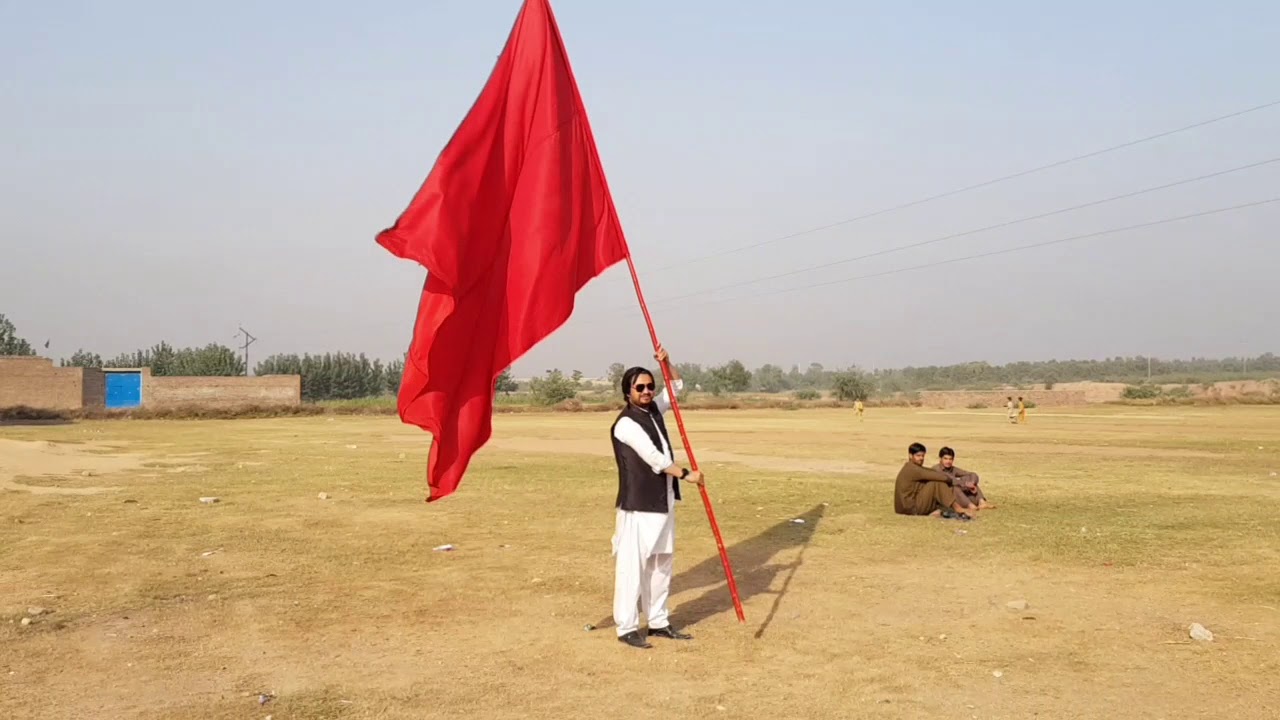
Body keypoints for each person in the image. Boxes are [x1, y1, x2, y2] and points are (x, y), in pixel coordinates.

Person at [609, 346, 703, 649]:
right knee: (632, 567)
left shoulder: (653, 411)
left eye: (650, 386)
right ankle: (626, 626)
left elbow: (676, 389)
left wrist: (666, 362)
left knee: (662, 564)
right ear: (628, 392)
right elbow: (654, 458)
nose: (647, 391)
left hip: (663, 503)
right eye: (640, 387)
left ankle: (659, 621)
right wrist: (686, 474)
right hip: (638, 506)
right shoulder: (626, 424)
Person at [894, 442, 975, 520]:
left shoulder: (911, 467)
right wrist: (952, 480)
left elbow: (929, 472)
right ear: (910, 455)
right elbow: (941, 477)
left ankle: (938, 510)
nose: (921, 458)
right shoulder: (913, 469)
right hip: (910, 508)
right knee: (936, 483)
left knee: (930, 483)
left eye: (922, 456)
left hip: (904, 508)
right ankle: (958, 508)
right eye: (918, 456)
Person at [934, 447, 994, 511]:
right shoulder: (936, 469)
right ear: (940, 459)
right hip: (946, 497)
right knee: (954, 487)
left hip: (959, 495)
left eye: (950, 459)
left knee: (968, 478)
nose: (948, 461)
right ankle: (969, 505)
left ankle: (982, 502)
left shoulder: (952, 469)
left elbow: (971, 474)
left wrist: (972, 482)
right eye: (945, 459)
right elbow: (951, 480)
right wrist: (965, 484)